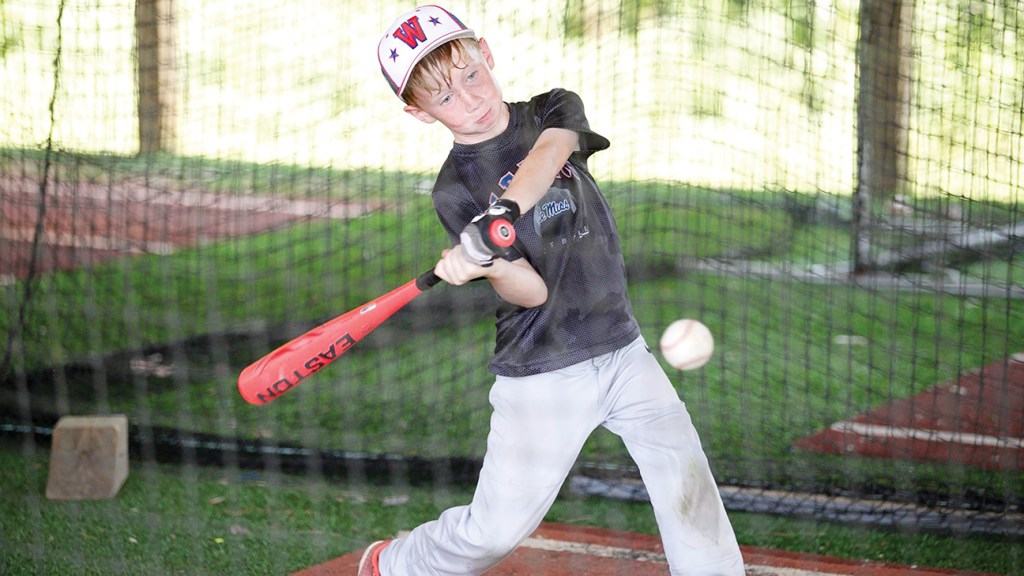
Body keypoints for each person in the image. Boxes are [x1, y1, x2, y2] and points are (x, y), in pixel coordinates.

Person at [360, 5, 745, 575]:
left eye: (471, 73)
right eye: (444, 97)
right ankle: (398, 563)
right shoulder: (454, 190)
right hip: (543, 369)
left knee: (684, 474)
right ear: (419, 114)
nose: (469, 98)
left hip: (620, 345)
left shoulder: (550, 110)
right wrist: (486, 262)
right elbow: (531, 293)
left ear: (486, 53)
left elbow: (549, 155)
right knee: (494, 532)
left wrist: (503, 212)